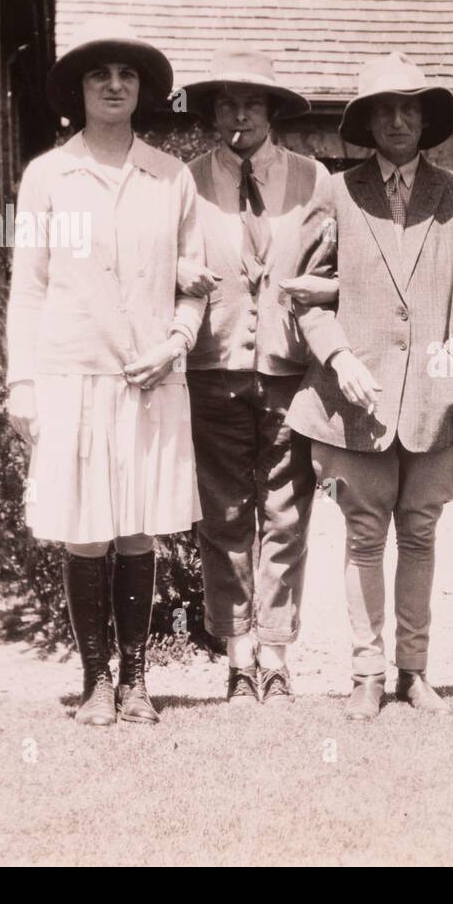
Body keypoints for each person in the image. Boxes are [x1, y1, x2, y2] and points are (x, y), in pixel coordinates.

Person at [6, 20, 206, 727]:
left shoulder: (170, 176)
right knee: (86, 528)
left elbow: (194, 283)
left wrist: (177, 339)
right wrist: (22, 381)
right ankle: (95, 680)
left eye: (126, 74)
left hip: (148, 376)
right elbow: (28, 285)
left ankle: (136, 678)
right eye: (100, 76)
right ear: (79, 93)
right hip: (73, 374)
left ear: (142, 89)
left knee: (137, 530)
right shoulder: (48, 176)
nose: (115, 85)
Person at [286, 52, 453, 722]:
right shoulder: (337, 193)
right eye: (385, 109)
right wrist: (338, 355)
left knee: (422, 534)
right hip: (359, 399)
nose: (398, 120)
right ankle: (366, 672)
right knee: (365, 536)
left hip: (436, 401)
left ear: (426, 120)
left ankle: (415, 670)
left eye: (411, 108)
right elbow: (307, 295)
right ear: (368, 122)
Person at [174, 48, 335, 705]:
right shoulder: (185, 182)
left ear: (272, 111)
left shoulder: (313, 179)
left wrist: (312, 290)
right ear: (212, 112)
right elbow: (166, 266)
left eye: (252, 102)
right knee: (225, 515)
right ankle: (237, 656)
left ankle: (275, 652)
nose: (239, 115)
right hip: (213, 366)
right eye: (226, 103)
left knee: (287, 514)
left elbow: (338, 273)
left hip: (288, 369)